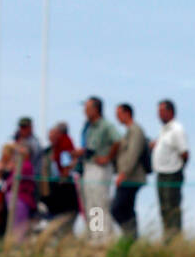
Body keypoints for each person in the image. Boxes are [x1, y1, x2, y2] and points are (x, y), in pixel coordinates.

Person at [75, 96, 120, 243]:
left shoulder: (106, 125)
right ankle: (95, 236)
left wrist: (107, 157)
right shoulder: (88, 127)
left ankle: (104, 237)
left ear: (95, 109)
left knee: (100, 202)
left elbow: (117, 140)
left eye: (87, 108)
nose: (85, 112)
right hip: (89, 167)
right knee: (91, 203)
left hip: (100, 169)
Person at [151, 99, 189, 238]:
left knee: (171, 207)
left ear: (170, 111)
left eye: (162, 111)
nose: (159, 115)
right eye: (158, 112)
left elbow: (184, 152)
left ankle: (174, 236)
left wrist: (178, 169)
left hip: (172, 173)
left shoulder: (176, 129)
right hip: (161, 173)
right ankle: (167, 235)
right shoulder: (164, 130)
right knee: (164, 208)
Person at [109, 104, 148, 239]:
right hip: (126, 177)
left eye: (119, 113)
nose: (117, 117)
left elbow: (133, 154)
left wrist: (123, 173)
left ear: (127, 113)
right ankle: (131, 237)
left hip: (131, 178)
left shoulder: (136, 131)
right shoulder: (128, 132)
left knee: (118, 208)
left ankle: (131, 236)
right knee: (126, 208)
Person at [39, 122, 75, 204]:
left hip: (62, 187)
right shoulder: (48, 151)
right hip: (50, 187)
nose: (51, 137)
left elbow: (66, 167)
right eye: (50, 135)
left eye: (54, 134)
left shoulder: (64, 147)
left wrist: (62, 180)